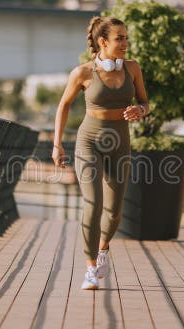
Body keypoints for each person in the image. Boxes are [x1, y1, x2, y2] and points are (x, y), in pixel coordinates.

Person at [52, 16, 149, 290]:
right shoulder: (82, 73)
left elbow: (144, 102)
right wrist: (57, 144)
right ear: (103, 42)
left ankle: (103, 248)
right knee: (93, 204)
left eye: (126, 38)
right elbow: (63, 106)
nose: (126, 43)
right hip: (89, 142)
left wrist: (140, 110)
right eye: (120, 38)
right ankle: (90, 267)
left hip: (120, 142)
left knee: (115, 211)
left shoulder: (132, 69)